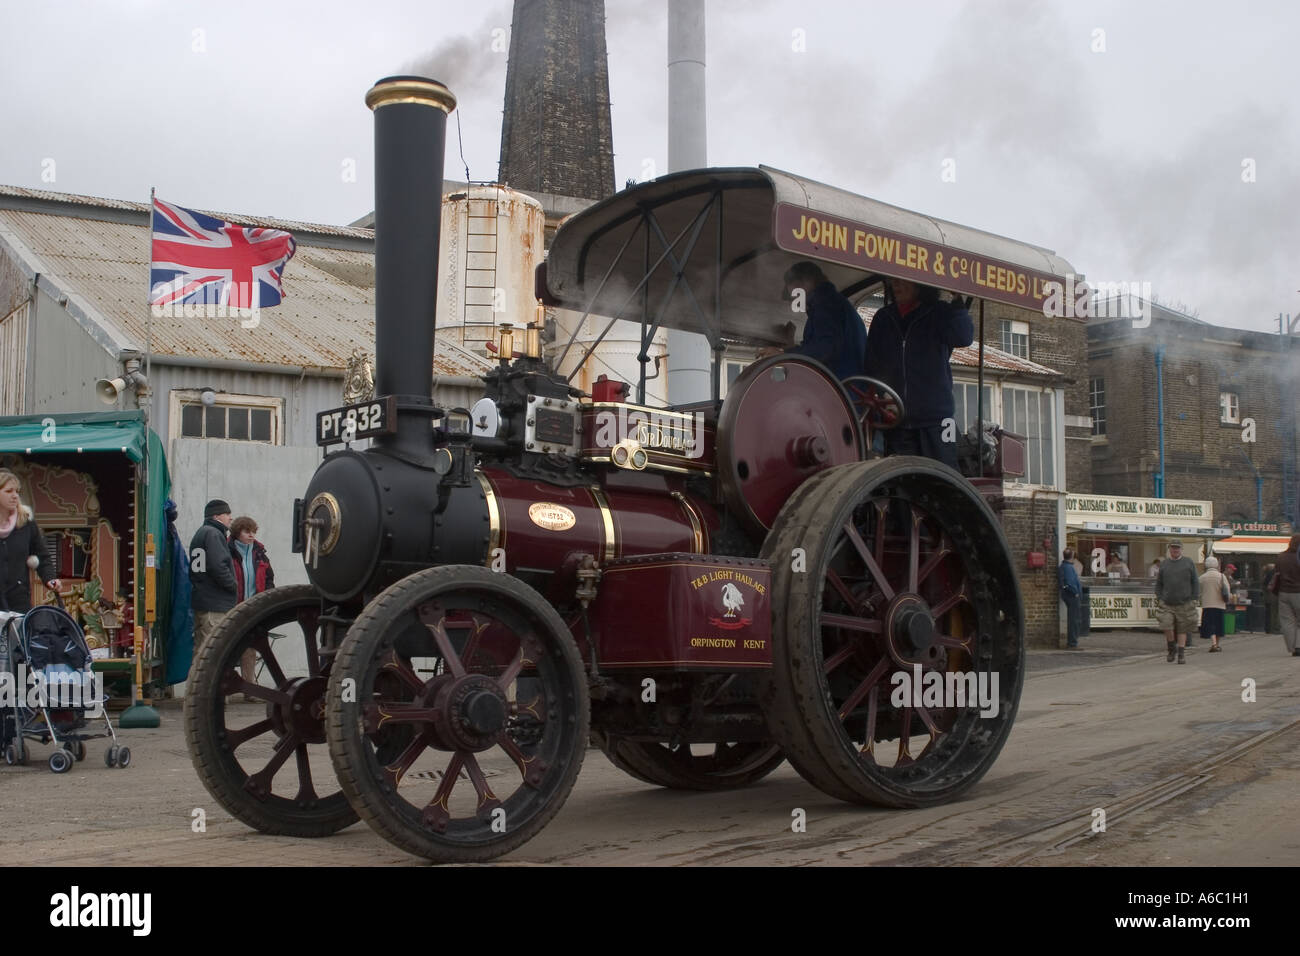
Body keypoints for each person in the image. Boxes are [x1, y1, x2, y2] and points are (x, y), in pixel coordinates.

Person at [863, 277, 973, 469]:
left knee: (943, 480)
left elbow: (963, 336)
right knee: (902, 482)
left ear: (921, 283)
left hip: (937, 422)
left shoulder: (939, 313)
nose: (896, 285)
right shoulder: (883, 317)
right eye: (893, 281)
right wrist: (884, 395)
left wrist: (957, 299)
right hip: (898, 423)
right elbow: (872, 364)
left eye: (903, 280)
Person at [758, 261, 867, 381]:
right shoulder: (834, 302)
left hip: (841, 387)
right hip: (849, 385)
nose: (798, 303)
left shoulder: (825, 303)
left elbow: (825, 348)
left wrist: (784, 354)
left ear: (806, 282)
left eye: (796, 295)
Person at [0, 469, 61, 613]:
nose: (15, 496)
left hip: (18, 601)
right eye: (9, 491)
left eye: (17, 491)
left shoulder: (26, 523)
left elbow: (42, 556)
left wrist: (50, 578)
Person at [229, 516, 275, 701]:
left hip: (253, 605)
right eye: (247, 531)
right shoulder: (228, 550)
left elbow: (269, 578)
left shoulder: (259, 552)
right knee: (229, 646)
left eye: (253, 531)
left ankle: (250, 687)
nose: (251, 535)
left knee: (250, 647)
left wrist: (267, 598)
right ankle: (225, 685)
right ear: (237, 532)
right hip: (233, 605)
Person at [189, 498, 236, 663]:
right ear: (216, 516)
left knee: (201, 653)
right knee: (214, 654)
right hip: (215, 605)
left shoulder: (201, 533)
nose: (231, 518)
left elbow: (199, 571)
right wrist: (233, 586)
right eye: (227, 513)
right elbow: (218, 566)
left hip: (202, 601)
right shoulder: (214, 534)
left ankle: (196, 689)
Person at [1155, 539, 1200, 664]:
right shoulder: (1164, 564)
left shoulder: (1188, 562)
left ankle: (1181, 653)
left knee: (1182, 629)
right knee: (1166, 625)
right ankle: (1171, 648)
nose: (1175, 550)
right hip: (1167, 603)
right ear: (1169, 549)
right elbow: (1159, 583)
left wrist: (1194, 598)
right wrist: (1159, 597)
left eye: (1177, 548)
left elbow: (1195, 582)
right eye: (1173, 548)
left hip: (1185, 602)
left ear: (1181, 549)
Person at [1272, 534, 1300, 656]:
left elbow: (1277, 573)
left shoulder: (1281, 557)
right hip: (1298, 592)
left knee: (1287, 621)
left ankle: (1292, 648)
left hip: (1283, 592)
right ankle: (1299, 646)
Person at [1198, 556, 1231, 653]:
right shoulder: (1221, 576)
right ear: (1216, 565)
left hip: (1207, 604)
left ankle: (1214, 644)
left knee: (1210, 624)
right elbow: (1227, 590)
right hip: (1220, 604)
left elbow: (1198, 591)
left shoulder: (1202, 577)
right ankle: (1216, 644)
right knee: (1218, 625)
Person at [1059, 548, 1083, 648]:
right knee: (1074, 620)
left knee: (1074, 619)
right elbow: (1069, 582)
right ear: (1072, 556)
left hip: (1069, 595)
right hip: (1072, 596)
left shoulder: (1064, 566)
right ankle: (1072, 643)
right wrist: (1076, 593)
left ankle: (1073, 642)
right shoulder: (1068, 568)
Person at [1263, 563, 1280, 633]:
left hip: (1270, 596)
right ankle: (1275, 628)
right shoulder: (1276, 574)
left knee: (1270, 613)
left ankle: (1270, 628)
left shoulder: (1267, 575)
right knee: (1275, 612)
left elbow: (1265, 585)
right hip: (1275, 595)